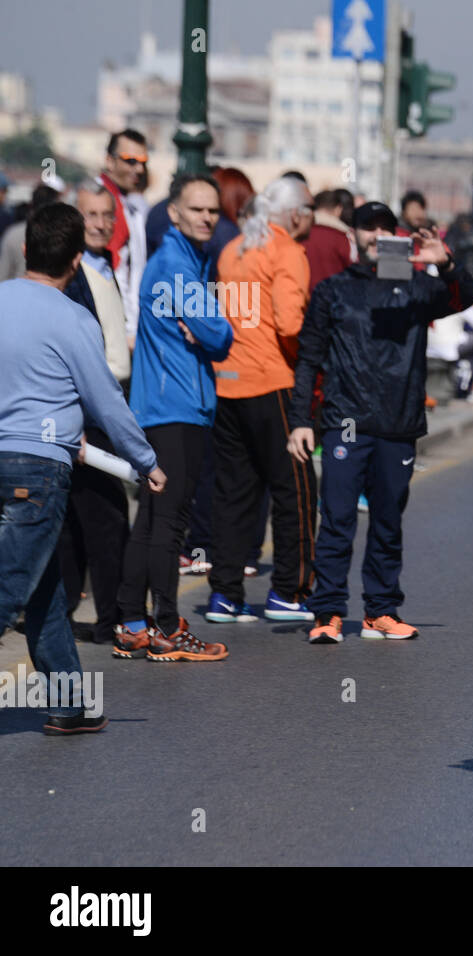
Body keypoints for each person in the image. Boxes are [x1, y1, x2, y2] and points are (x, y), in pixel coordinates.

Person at [0, 203, 164, 733]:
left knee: (43, 587)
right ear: (76, 261)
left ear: (25, 250)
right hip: (39, 469)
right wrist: (145, 461)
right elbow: (107, 403)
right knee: (9, 586)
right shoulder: (74, 318)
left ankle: (71, 705)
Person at [287, 202, 473, 643]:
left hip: (398, 423)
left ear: (395, 236)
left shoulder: (417, 288)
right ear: (353, 236)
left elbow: (465, 298)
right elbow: (308, 358)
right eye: (366, 229)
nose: (374, 236)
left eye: (382, 229)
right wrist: (301, 420)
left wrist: (445, 263)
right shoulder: (332, 290)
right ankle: (328, 613)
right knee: (336, 519)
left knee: (388, 520)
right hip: (343, 422)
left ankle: (381, 611)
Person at [113, 174, 234, 663]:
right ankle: (166, 626)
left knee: (151, 518)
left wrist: (207, 327)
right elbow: (221, 334)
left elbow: (208, 328)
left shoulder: (185, 262)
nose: (207, 217)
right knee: (171, 521)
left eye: (213, 210)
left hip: (167, 407)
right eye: (197, 209)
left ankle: (131, 622)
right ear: (175, 214)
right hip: (176, 409)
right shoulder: (176, 268)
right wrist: (210, 327)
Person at [204, 176, 318, 625]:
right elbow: (290, 325)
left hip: (227, 383)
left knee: (234, 494)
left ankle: (225, 595)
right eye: (307, 208)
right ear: (293, 214)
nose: (310, 216)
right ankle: (289, 591)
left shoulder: (233, 249)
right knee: (296, 492)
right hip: (273, 384)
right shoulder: (287, 251)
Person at [56, 180, 133, 645]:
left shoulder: (103, 266)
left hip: (109, 402)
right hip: (87, 411)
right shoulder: (72, 272)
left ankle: (66, 615)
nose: (102, 223)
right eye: (91, 215)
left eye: (108, 214)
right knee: (105, 516)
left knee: (78, 520)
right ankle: (112, 618)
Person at [98, 130, 150, 347]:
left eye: (143, 162)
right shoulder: (103, 201)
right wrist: (127, 330)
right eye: (130, 161)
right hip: (113, 329)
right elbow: (114, 271)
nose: (139, 169)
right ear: (109, 161)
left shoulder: (126, 203)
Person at [0, 184, 61, 282]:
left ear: (32, 204)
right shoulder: (60, 236)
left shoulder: (13, 233)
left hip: (14, 292)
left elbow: (2, 274)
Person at [303, 188, 354, 292]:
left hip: (303, 297)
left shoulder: (301, 233)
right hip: (334, 298)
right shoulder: (343, 237)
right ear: (338, 209)